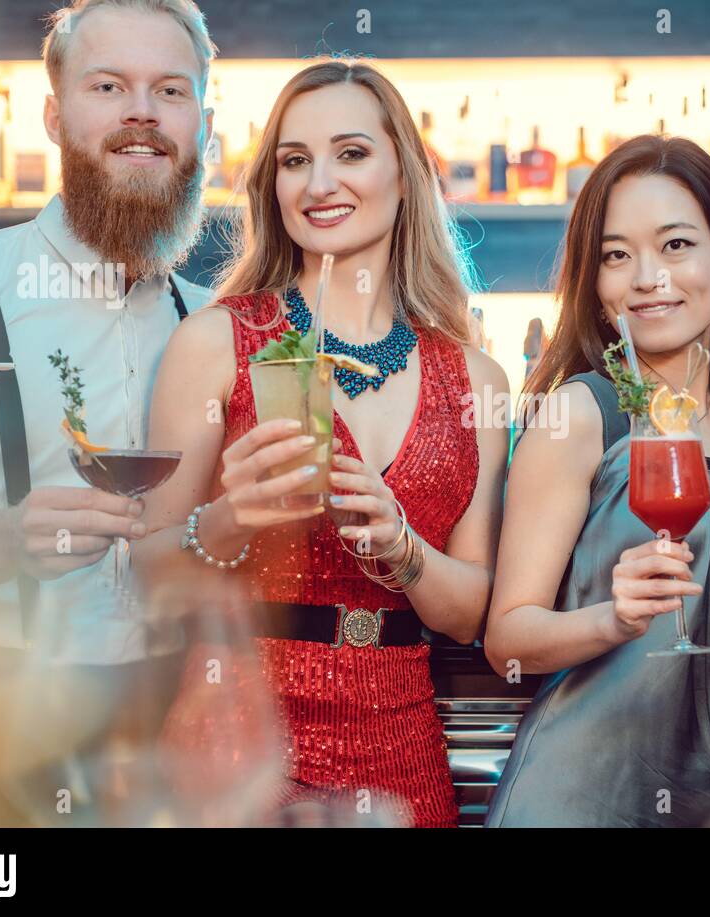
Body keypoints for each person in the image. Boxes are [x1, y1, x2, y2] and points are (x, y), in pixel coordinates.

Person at [134, 60, 509, 828]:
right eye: (294, 161)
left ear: (404, 175)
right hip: (239, 738)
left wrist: (403, 548)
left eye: (351, 153)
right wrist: (231, 518)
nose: (317, 184)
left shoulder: (478, 378)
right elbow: (145, 572)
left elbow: (470, 611)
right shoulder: (216, 343)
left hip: (402, 744)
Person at [0, 0, 217, 666]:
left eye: (170, 90)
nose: (142, 112)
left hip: (179, 723)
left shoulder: (213, 323)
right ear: (54, 119)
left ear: (203, 124)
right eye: (108, 86)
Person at [483, 135, 710, 828]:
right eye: (616, 254)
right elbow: (507, 639)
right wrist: (616, 617)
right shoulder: (581, 414)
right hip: (579, 798)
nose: (647, 277)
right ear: (597, 288)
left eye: (675, 245)